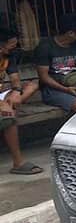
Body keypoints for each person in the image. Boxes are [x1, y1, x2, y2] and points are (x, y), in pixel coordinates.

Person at [34, 14, 76, 114]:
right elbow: (44, 77)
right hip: (54, 89)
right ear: (70, 33)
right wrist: (66, 89)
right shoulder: (45, 46)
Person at [0, 27, 42, 175]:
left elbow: (15, 79)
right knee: (9, 117)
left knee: (32, 85)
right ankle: (18, 163)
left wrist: (16, 92)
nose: (15, 46)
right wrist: (2, 104)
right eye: (12, 44)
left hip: (2, 96)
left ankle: (10, 109)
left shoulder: (8, 57)